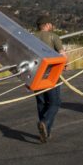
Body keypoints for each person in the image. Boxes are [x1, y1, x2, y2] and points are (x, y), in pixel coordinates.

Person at [33, 14, 65, 143]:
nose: (52, 26)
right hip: (51, 75)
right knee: (55, 103)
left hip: (36, 75)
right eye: (51, 24)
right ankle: (45, 123)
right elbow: (63, 55)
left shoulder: (31, 37)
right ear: (46, 25)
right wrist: (66, 65)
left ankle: (46, 133)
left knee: (42, 103)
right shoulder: (54, 37)